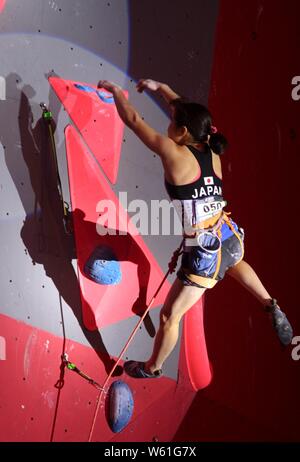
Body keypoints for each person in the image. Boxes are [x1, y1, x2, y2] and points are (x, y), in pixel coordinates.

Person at [97, 78, 293, 379]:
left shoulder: (173, 152)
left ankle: (153, 367)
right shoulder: (211, 148)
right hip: (229, 236)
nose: (169, 124)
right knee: (235, 262)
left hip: (204, 253)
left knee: (169, 316)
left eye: (173, 121)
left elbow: (134, 120)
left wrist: (114, 92)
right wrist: (160, 87)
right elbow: (187, 110)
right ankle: (270, 303)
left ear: (183, 131)